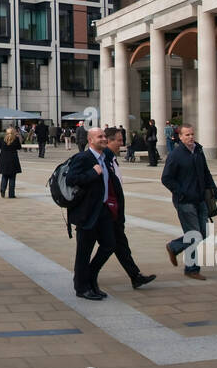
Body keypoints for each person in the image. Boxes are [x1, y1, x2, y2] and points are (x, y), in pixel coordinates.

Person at [162, 124, 217, 281]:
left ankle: (175, 246)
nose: (190, 137)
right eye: (186, 135)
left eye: (192, 134)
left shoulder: (198, 151)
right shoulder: (176, 155)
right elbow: (166, 178)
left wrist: (213, 192)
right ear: (180, 137)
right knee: (194, 234)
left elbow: (206, 172)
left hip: (201, 199)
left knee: (204, 233)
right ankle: (192, 268)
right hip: (185, 201)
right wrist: (181, 192)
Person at [66, 127, 116, 301]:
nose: (104, 138)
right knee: (84, 252)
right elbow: (71, 179)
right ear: (90, 140)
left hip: (103, 210)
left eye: (104, 136)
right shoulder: (83, 158)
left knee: (110, 244)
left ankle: (90, 276)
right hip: (86, 212)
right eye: (99, 136)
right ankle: (81, 287)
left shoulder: (105, 157)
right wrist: (92, 173)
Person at [104, 127, 157, 289]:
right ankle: (85, 277)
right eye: (119, 140)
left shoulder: (111, 158)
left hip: (114, 212)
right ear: (109, 141)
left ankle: (135, 276)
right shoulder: (104, 159)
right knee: (107, 247)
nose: (122, 143)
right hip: (108, 213)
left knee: (120, 246)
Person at [0, 126, 23, 198]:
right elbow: (19, 147)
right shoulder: (15, 139)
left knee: (4, 176)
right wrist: (17, 137)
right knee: (12, 177)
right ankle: (11, 194)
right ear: (13, 133)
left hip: (3, 160)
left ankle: (2, 190)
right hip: (13, 160)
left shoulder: (2, 139)